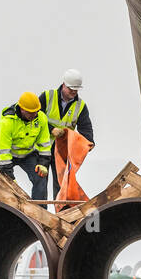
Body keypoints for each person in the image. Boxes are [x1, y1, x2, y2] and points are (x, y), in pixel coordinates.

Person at [39, 69, 94, 201]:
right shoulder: (47, 97)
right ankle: (40, 215)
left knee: (62, 185)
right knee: (40, 184)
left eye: (76, 90)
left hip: (62, 151)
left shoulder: (80, 106)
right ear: (64, 85)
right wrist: (51, 129)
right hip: (42, 149)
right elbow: (33, 118)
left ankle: (62, 215)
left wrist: (89, 142)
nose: (74, 92)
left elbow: (85, 126)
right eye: (71, 89)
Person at [0, 92, 52, 200]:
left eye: (36, 112)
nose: (34, 115)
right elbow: (3, 154)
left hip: (28, 155)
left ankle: (40, 213)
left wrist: (43, 163)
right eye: (31, 113)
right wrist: (10, 178)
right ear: (22, 109)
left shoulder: (41, 118)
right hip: (7, 157)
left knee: (40, 179)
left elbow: (45, 144)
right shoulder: (7, 122)